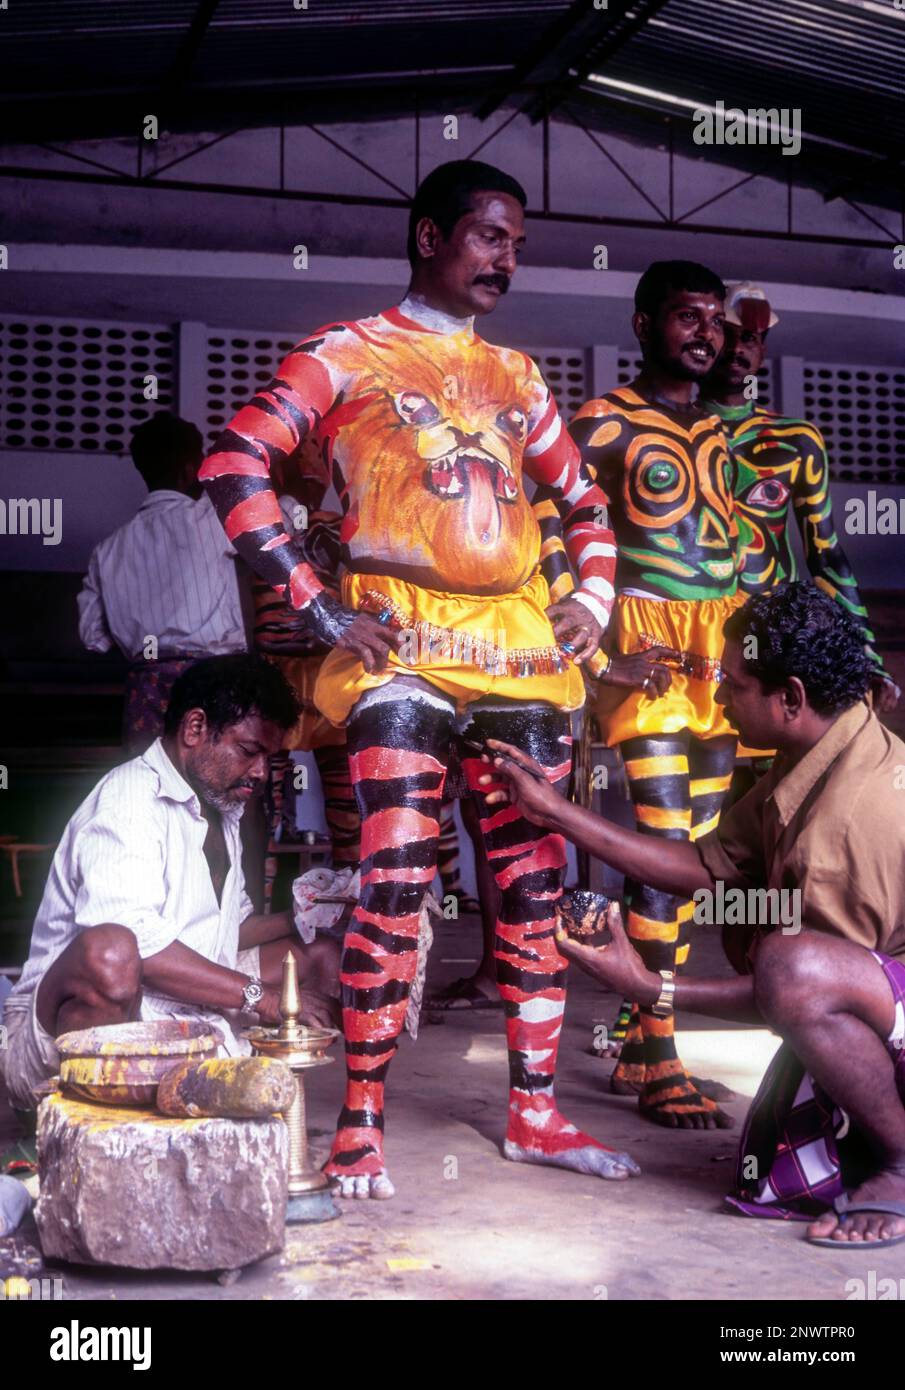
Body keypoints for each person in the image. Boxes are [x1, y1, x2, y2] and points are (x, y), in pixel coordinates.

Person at [198, 158, 639, 1199]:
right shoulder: (342, 354)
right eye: (489, 236)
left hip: (524, 655)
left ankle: (531, 1108)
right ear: (429, 236)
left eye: (517, 243)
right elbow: (232, 464)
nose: (507, 259)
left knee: (531, 893)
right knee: (395, 882)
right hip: (398, 651)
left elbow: (584, 504)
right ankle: (357, 1125)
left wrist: (592, 600)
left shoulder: (521, 377)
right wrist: (314, 604)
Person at [481, 581, 905, 1247]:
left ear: (789, 697)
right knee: (770, 1152)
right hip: (881, 1003)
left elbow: (795, 991)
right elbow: (706, 868)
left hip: (873, 1010)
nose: (717, 701)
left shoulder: (847, 821)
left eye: (733, 686)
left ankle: (900, 1161)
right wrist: (556, 812)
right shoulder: (819, 753)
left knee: (788, 964)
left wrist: (649, 989)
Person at [0, 655, 340, 1113]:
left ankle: (193, 1089)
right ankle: (100, 1114)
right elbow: (133, 946)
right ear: (195, 728)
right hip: (53, 1044)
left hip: (178, 1007)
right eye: (249, 751)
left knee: (317, 957)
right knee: (111, 951)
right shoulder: (128, 800)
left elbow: (223, 928)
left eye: (270, 758)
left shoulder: (221, 807)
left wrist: (305, 914)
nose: (261, 772)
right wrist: (260, 997)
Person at [567, 261, 741, 1129]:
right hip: (649, 649)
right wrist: (597, 655)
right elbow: (546, 529)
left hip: (718, 651)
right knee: (668, 849)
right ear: (643, 325)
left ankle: (640, 1037)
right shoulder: (603, 420)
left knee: (692, 862)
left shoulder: (718, 427)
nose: (703, 333)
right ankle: (662, 1053)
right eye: (685, 317)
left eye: (714, 319)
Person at [701, 281, 899, 719]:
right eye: (728, 335)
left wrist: (867, 654)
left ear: (763, 352)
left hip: (776, 632)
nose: (737, 349)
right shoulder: (664, 433)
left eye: (750, 339)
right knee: (699, 781)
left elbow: (826, 554)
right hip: (687, 629)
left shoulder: (795, 440)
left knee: (784, 774)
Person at [77, 412, 250, 756]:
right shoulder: (214, 519)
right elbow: (286, 518)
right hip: (216, 681)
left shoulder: (108, 550)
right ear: (191, 469)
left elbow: (92, 638)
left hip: (148, 687)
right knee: (219, 795)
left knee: (151, 792)